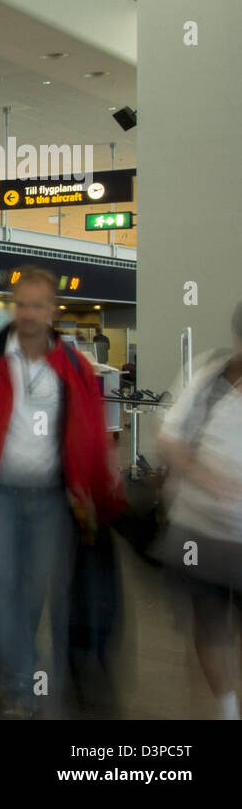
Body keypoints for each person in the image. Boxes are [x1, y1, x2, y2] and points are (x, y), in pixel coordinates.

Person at [0, 266, 121, 717]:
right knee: (2, 584)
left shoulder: (73, 366)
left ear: (52, 310)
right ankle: (21, 683)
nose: (29, 314)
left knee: (33, 591)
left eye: (38, 305)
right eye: (22, 304)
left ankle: (17, 661)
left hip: (52, 497)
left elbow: (90, 434)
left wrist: (102, 493)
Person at [156, 301, 242, 719]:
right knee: (211, 626)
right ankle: (228, 711)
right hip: (201, 533)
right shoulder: (210, 378)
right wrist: (204, 474)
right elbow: (169, 440)